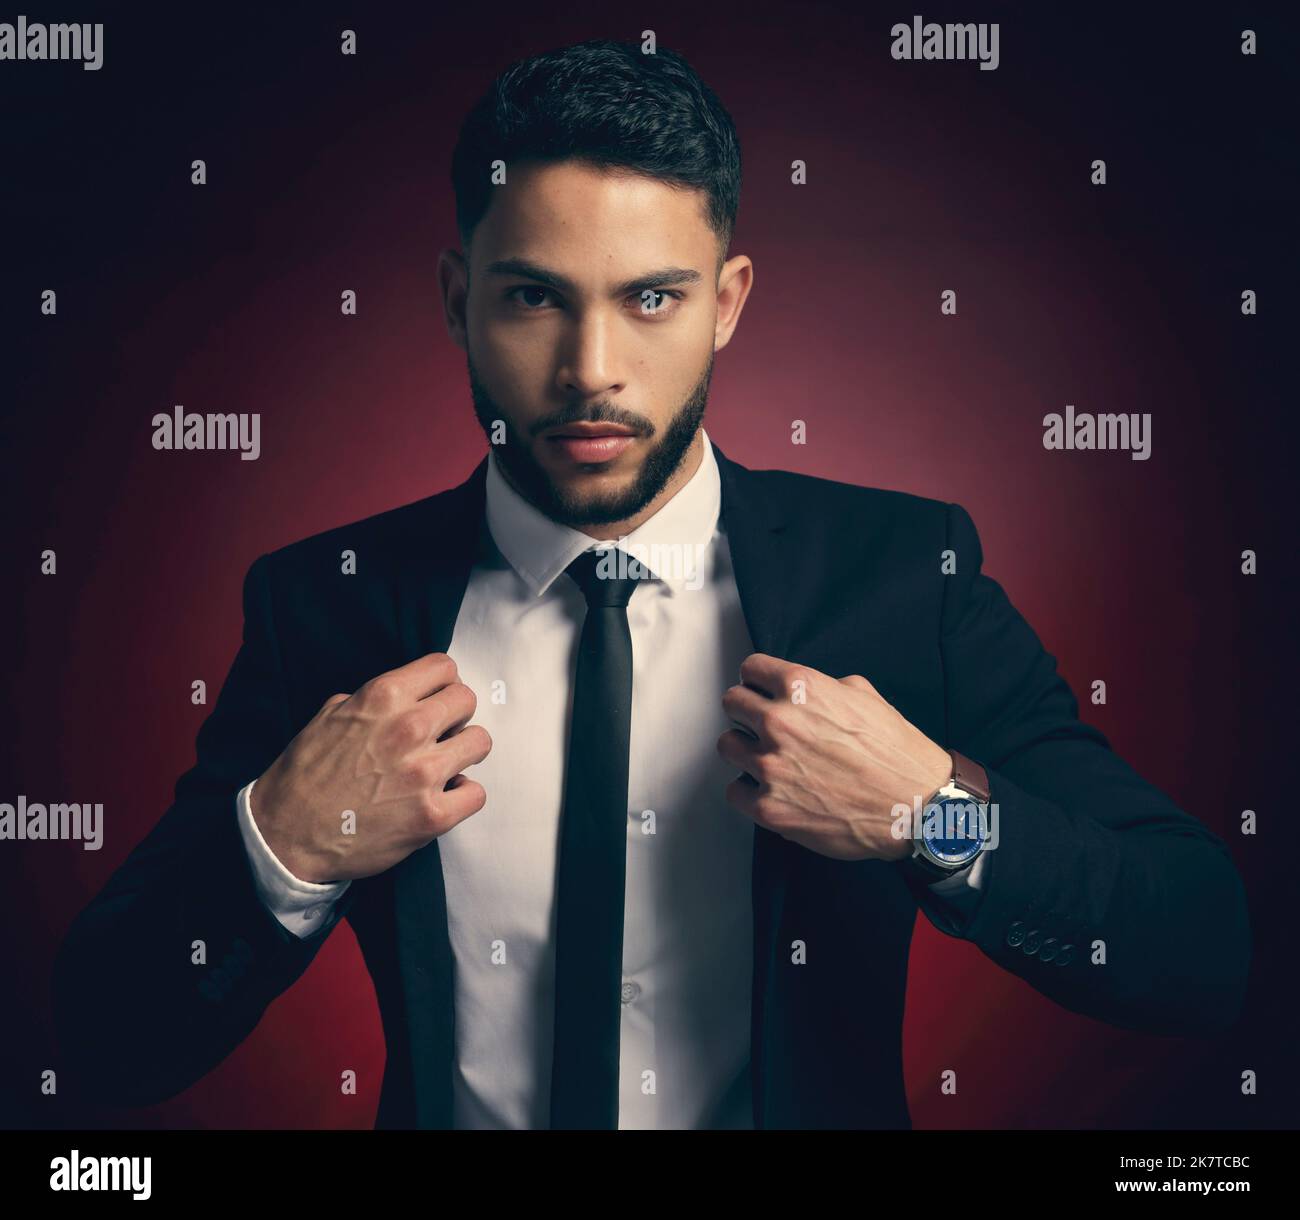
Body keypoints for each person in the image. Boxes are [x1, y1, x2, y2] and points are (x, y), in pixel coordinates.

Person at [52, 38, 1251, 1130]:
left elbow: (1200, 949)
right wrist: (283, 846)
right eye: (533, 296)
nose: (592, 370)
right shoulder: (329, 602)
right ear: (458, 301)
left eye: (652, 297)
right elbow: (101, 1042)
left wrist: (932, 811)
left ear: (725, 302)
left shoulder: (904, 577)